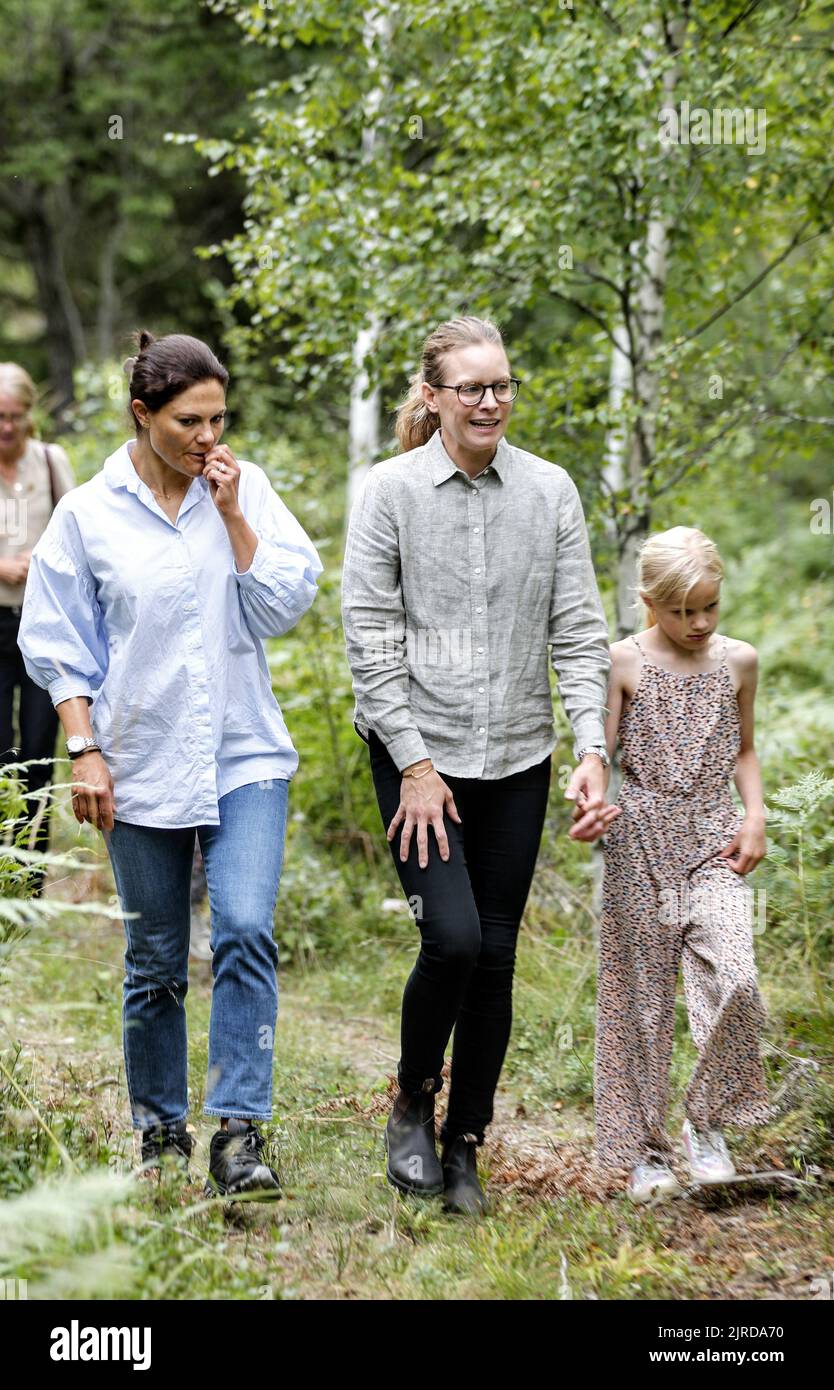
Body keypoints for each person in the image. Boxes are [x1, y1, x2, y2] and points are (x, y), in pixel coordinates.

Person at [18, 331, 323, 1198]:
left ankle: (239, 1135)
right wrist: (85, 750)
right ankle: (159, 1134)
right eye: (190, 420)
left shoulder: (244, 488)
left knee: (245, 928)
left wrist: (232, 517)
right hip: (139, 758)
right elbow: (57, 642)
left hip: (243, 749)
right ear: (142, 414)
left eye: (219, 418)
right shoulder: (88, 514)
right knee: (154, 957)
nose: (208, 436)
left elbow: (284, 606)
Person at [342, 315, 617, 1215]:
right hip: (417, 757)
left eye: (502, 385)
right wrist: (417, 766)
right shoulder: (389, 492)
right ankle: (412, 1101)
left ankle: (466, 1142)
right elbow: (370, 639)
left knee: (495, 957)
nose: (491, 401)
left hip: (519, 756)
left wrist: (591, 745)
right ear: (433, 397)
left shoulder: (550, 491)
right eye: (473, 388)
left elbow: (578, 630)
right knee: (452, 939)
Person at [595, 526, 772, 1203]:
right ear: (649, 603)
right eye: (682, 611)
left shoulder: (740, 661)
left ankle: (707, 1121)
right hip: (640, 842)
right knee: (638, 1003)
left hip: (714, 839)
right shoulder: (623, 662)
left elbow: (745, 751)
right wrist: (591, 805)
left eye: (710, 607)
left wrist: (755, 815)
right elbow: (599, 757)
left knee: (737, 976)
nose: (699, 623)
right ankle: (645, 1151)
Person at [0, 363, 75, 890]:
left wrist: (42, 560)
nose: (7, 427)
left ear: (31, 414)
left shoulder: (51, 461)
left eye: (16, 416)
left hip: (43, 628)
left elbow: (78, 533)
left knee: (38, 756)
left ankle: (28, 882)